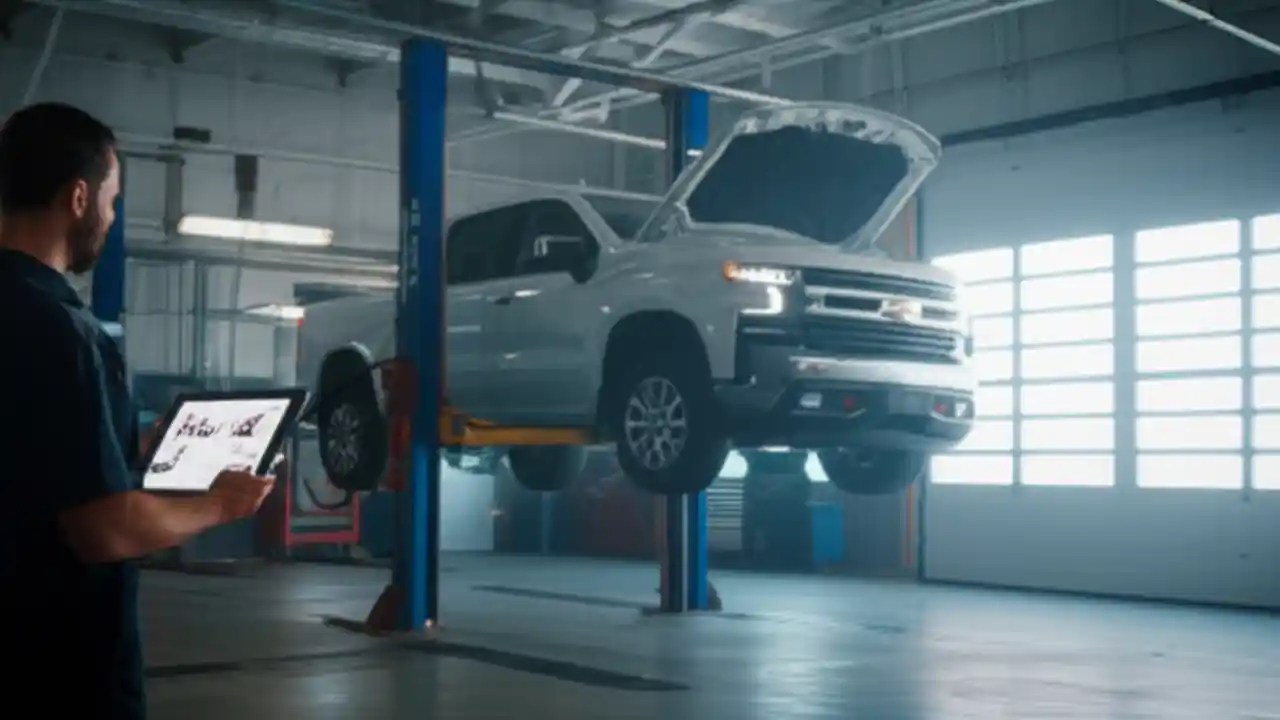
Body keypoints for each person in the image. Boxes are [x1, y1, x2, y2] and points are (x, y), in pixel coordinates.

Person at [0, 103, 276, 719]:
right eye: (112, 199)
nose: (111, 215)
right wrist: (220, 505)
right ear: (79, 197)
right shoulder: (63, 330)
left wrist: (127, 442)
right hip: (56, 674)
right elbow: (103, 530)